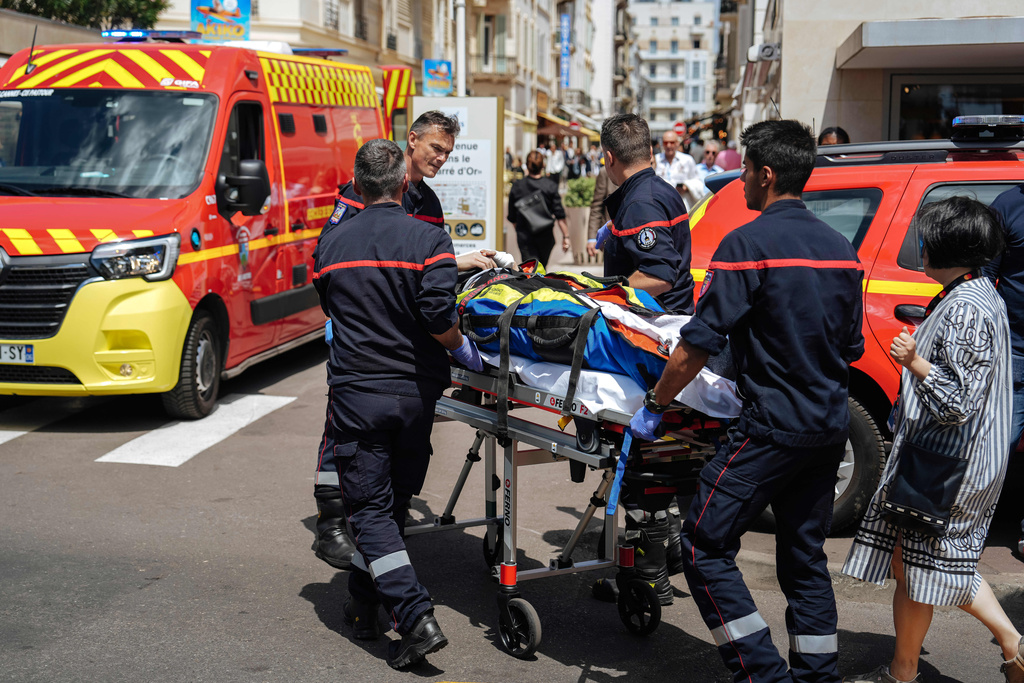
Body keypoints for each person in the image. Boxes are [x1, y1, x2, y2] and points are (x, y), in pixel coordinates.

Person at [629, 119, 864, 682]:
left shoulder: (746, 244)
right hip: (828, 427)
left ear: (766, 174)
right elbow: (851, 347)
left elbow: (695, 345)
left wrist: (657, 404)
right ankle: (817, 674)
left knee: (703, 544)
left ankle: (760, 672)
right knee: (805, 560)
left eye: (744, 175)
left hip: (769, 429)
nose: (739, 185)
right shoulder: (841, 250)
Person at [314, 138, 482, 669]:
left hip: (358, 393)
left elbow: (333, 307)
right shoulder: (431, 239)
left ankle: (413, 617)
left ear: (358, 185)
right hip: (414, 396)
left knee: (371, 512)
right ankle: (365, 608)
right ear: (403, 183)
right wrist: (465, 350)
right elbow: (438, 314)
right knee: (387, 509)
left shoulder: (331, 245)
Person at [843, 197, 1024, 683]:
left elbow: (958, 402)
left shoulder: (968, 305)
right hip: (950, 460)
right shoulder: (975, 291)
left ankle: (994, 650)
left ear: (948, 246)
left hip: (952, 465)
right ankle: (912, 668)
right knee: (919, 565)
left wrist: (915, 361)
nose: (919, 245)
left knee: (929, 568)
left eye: (927, 237)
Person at [601, 114, 694, 314]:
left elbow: (659, 276)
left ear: (610, 158)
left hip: (654, 324)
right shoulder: (662, 189)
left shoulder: (641, 203)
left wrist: (607, 296)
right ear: (650, 153)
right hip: (669, 315)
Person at [985, 184, 1024, 560]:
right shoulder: (1008, 205)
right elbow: (987, 278)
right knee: (998, 444)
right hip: (1014, 350)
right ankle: (970, 528)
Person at [507, 150, 570, 267]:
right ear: (543, 165)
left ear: (527, 165)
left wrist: (520, 230)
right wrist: (565, 237)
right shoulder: (550, 186)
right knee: (542, 266)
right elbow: (559, 214)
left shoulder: (518, 186)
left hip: (525, 235)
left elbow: (512, 216)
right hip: (545, 235)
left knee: (530, 269)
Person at [586, 164, 618, 259]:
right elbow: (597, 206)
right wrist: (592, 238)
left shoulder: (649, 168)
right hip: (612, 240)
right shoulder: (606, 172)